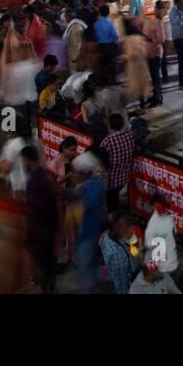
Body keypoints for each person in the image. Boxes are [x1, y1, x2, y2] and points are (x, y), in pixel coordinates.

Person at [21, 145, 59, 294]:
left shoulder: (34, 182)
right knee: (49, 260)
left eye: (23, 161)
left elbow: (32, 209)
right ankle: (52, 288)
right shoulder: (47, 174)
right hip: (51, 224)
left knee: (42, 263)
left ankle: (47, 290)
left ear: (28, 160)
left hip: (40, 228)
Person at [71, 149, 108, 293]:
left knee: (85, 270)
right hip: (84, 233)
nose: (75, 175)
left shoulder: (93, 185)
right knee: (90, 268)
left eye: (77, 172)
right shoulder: (87, 184)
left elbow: (85, 207)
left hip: (88, 233)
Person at [99, 210, 140, 294]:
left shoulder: (107, 237)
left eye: (125, 224)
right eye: (122, 225)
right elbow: (122, 286)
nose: (126, 227)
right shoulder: (117, 254)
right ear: (115, 228)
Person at [102, 113, 135, 210]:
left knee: (110, 205)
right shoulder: (130, 135)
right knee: (114, 200)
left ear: (110, 125)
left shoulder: (108, 141)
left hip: (110, 181)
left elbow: (100, 158)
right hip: (124, 178)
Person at [142, 192, 179, 277]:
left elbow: (148, 245)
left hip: (161, 267)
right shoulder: (170, 216)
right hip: (173, 263)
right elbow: (175, 233)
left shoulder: (153, 222)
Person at [122, 20, 153, 109]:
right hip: (142, 65)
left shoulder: (128, 40)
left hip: (134, 67)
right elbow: (144, 51)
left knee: (137, 85)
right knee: (142, 85)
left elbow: (132, 54)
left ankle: (141, 103)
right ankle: (142, 102)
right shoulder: (139, 38)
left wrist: (124, 57)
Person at [143, 0, 167, 107]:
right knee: (153, 76)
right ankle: (155, 95)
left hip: (155, 53)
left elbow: (161, 39)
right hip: (148, 52)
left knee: (156, 76)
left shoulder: (158, 23)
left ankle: (158, 98)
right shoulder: (150, 21)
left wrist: (150, 39)